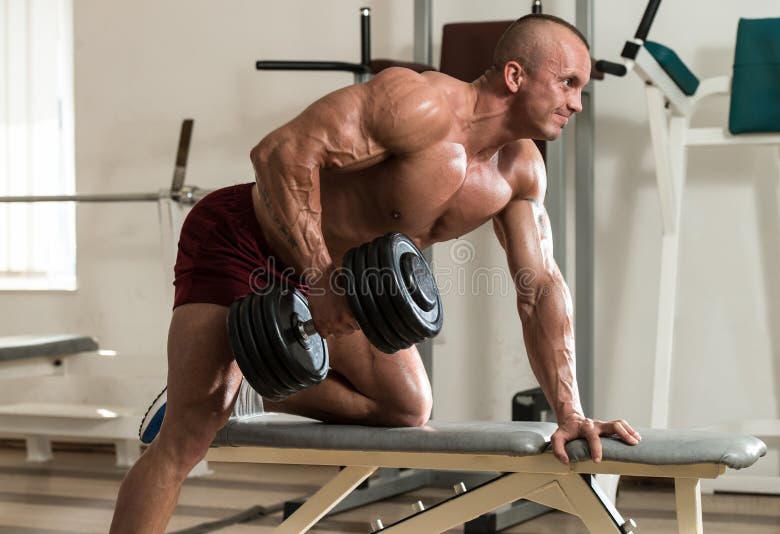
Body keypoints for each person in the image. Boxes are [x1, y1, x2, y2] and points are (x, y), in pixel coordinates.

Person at [110, 13, 640, 533]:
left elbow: (540, 287)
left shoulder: (520, 171)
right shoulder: (419, 105)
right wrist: (318, 280)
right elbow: (280, 154)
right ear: (515, 75)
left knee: (406, 406)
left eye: (580, 89)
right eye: (568, 83)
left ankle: (252, 374)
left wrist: (569, 410)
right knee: (189, 431)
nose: (576, 102)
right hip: (250, 237)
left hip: (339, 282)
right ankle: (206, 389)